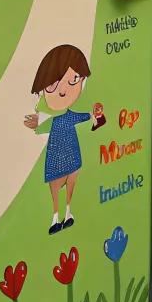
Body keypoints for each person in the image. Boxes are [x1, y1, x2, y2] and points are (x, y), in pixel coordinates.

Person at [23, 43, 94, 234]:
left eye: (74, 80)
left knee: (70, 185)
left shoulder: (68, 116)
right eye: (52, 85)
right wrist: (37, 122)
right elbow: (41, 124)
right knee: (55, 188)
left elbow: (81, 116)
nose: (62, 91)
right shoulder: (51, 119)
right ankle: (56, 217)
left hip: (72, 156)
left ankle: (68, 213)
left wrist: (92, 115)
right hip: (56, 159)